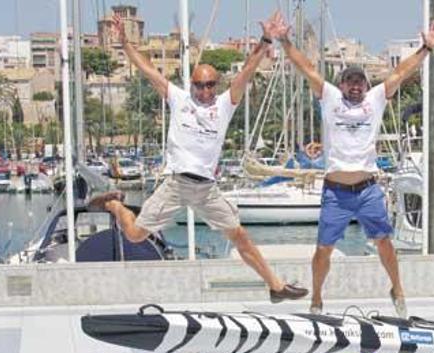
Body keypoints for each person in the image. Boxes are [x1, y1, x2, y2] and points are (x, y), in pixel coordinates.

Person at [87, 10, 308, 303]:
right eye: (199, 85)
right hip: (176, 184)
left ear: (215, 85)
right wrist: (126, 43)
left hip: (206, 189)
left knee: (240, 235)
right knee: (136, 235)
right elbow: (148, 70)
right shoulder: (179, 100)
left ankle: (276, 287)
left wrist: (267, 38)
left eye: (209, 85)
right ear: (191, 85)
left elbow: (248, 69)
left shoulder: (225, 105)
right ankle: (114, 204)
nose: (204, 90)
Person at [279, 18, 434, 317]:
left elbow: (400, 71)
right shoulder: (330, 98)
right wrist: (284, 42)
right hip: (336, 191)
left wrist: (426, 49)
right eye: (350, 81)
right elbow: (307, 68)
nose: (355, 86)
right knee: (323, 250)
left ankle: (397, 290)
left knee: (384, 242)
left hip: (368, 189)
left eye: (360, 82)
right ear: (341, 84)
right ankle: (316, 300)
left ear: (366, 86)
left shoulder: (375, 99)